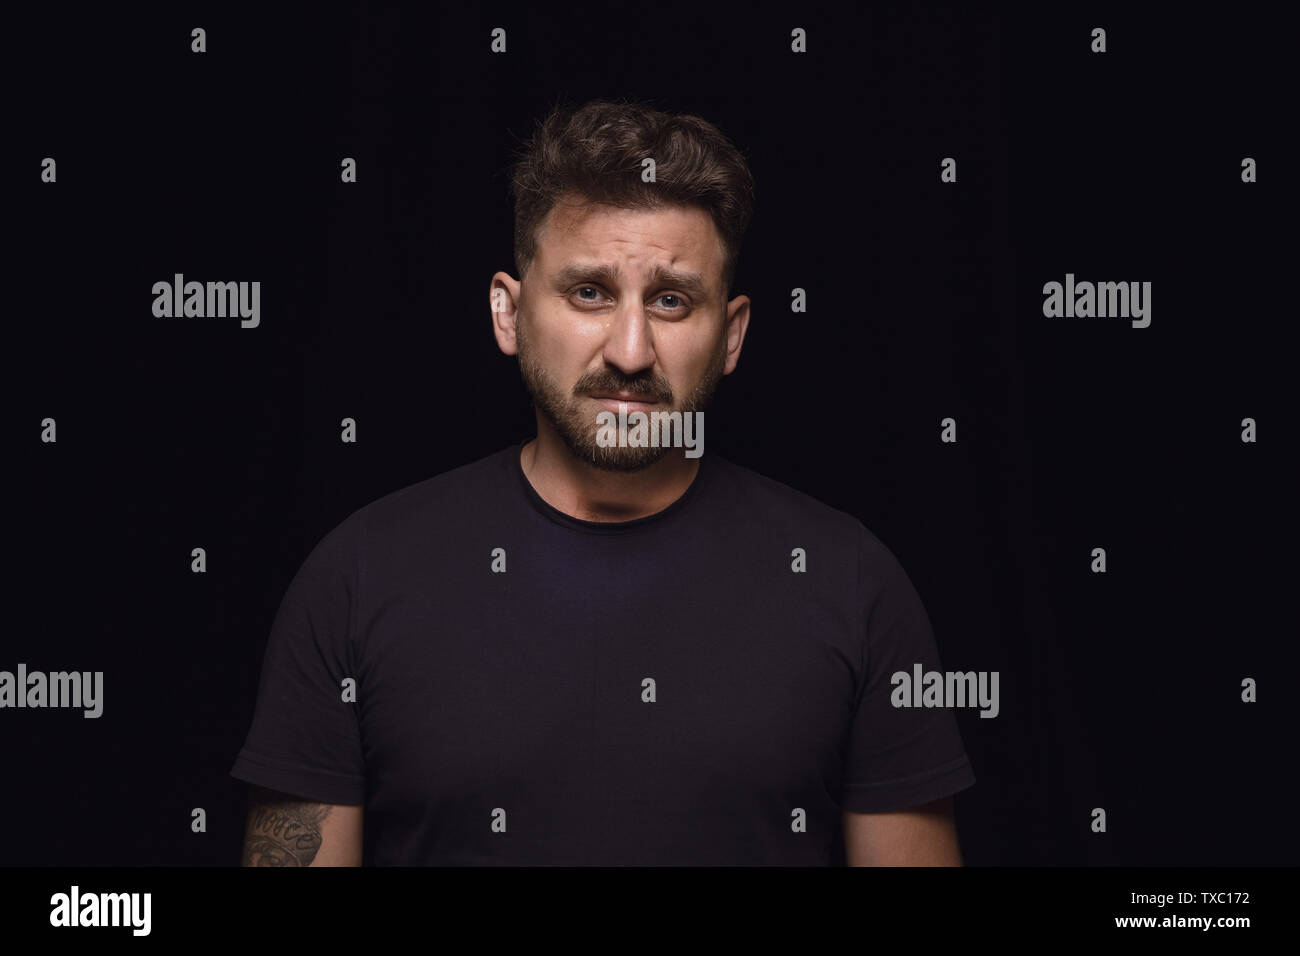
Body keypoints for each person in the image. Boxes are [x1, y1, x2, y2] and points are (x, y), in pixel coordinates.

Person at [232, 99, 975, 866]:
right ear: (509, 314)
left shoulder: (852, 584)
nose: (629, 351)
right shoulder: (357, 578)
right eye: (589, 292)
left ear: (732, 333)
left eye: (671, 300)